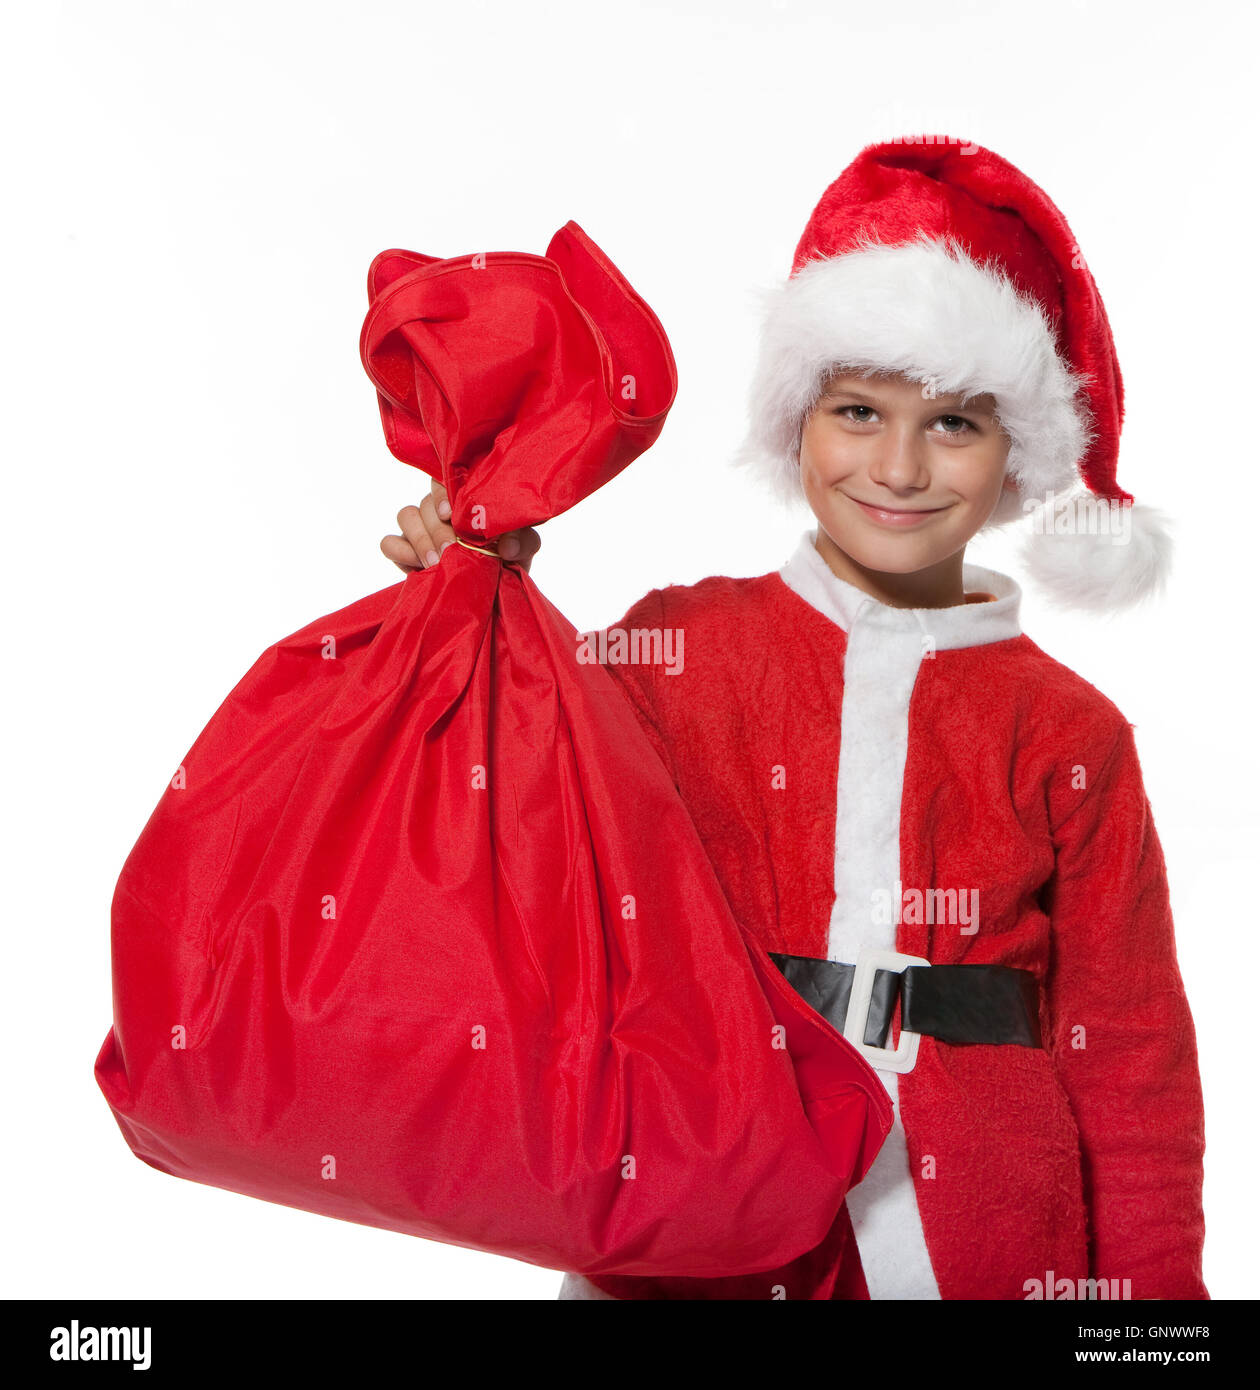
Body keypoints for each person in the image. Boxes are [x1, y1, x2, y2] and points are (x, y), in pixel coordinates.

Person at [380, 139, 1207, 1301]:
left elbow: (1132, 1064)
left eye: (957, 424)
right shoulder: (673, 652)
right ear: (799, 422)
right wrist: (473, 590)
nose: (901, 465)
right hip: (698, 1218)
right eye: (860, 411)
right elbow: (507, 820)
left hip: (985, 1240)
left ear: (1019, 448)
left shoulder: (1071, 733)